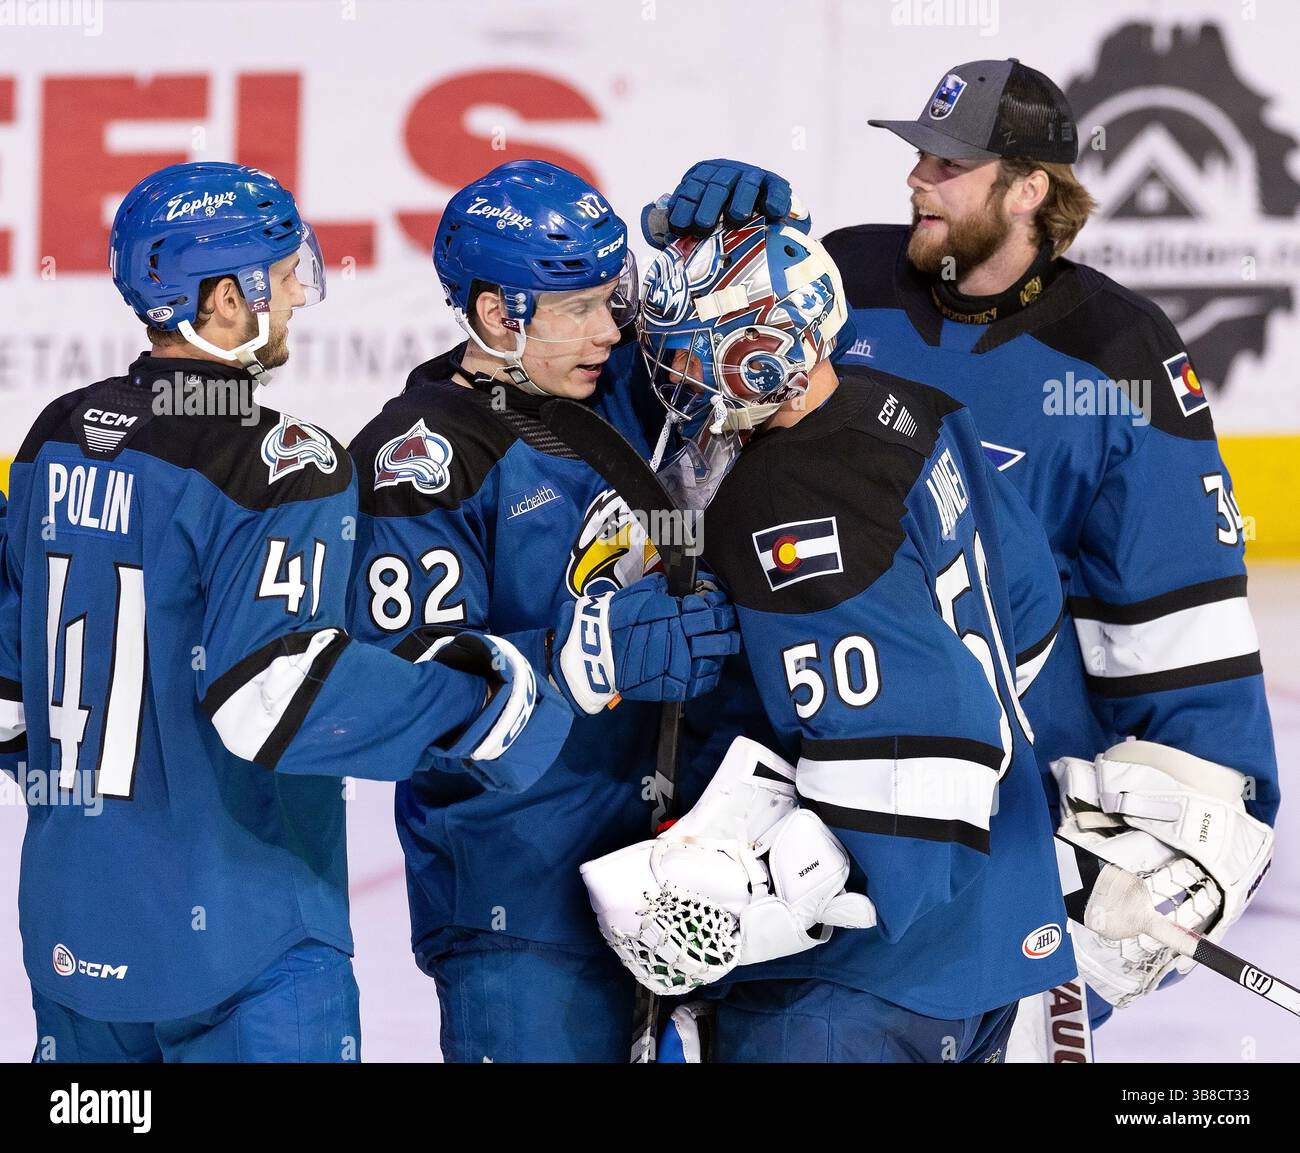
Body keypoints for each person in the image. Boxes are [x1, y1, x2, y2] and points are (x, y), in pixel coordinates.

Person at [657, 58, 1280, 1058]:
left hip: (999, 860)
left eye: (948, 163)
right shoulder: (842, 278)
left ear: (1028, 188)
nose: (916, 178)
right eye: (917, 155)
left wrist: (1182, 865)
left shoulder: (1119, 355)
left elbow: (1181, 645)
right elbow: (675, 418)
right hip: (786, 832)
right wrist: (703, 247)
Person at [0, 161, 571, 1063]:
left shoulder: (53, 436)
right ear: (223, 297)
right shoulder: (279, 460)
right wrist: (491, 704)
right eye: (280, 273)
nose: (300, 295)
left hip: (74, 940)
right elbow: (276, 695)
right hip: (247, 942)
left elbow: (7, 700)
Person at [602, 212, 1075, 1063]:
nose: (673, 367)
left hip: (857, 980)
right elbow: (1030, 619)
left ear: (766, 349)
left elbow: (908, 767)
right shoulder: (913, 409)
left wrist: (740, 907)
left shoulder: (785, 504)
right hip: (991, 937)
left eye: (693, 344)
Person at [346, 159, 741, 1062]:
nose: (613, 328)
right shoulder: (424, 461)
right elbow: (404, 698)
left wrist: (754, 219)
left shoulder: (628, 387)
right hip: (519, 902)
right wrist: (588, 654)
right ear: (497, 314)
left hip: (684, 872)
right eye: (581, 308)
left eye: (619, 295)